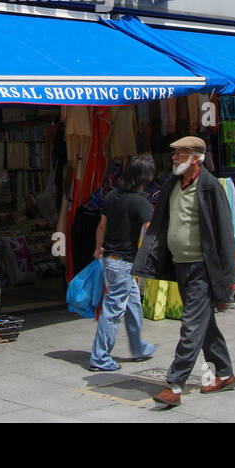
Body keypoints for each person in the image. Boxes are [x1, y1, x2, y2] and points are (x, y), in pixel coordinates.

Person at [132, 136, 235, 409]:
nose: (174, 158)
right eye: (175, 154)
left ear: (196, 158)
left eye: (180, 154)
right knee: (205, 324)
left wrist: (228, 280)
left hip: (203, 267)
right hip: (180, 264)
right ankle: (224, 375)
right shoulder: (172, 184)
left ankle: (175, 385)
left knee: (191, 324)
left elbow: (226, 233)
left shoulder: (210, 186)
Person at [89, 155, 157, 371]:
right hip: (124, 263)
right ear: (143, 180)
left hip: (111, 259)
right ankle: (99, 358)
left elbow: (101, 226)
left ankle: (138, 348)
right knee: (114, 309)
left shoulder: (111, 197)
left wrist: (98, 248)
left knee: (133, 302)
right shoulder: (141, 202)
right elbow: (150, 231)